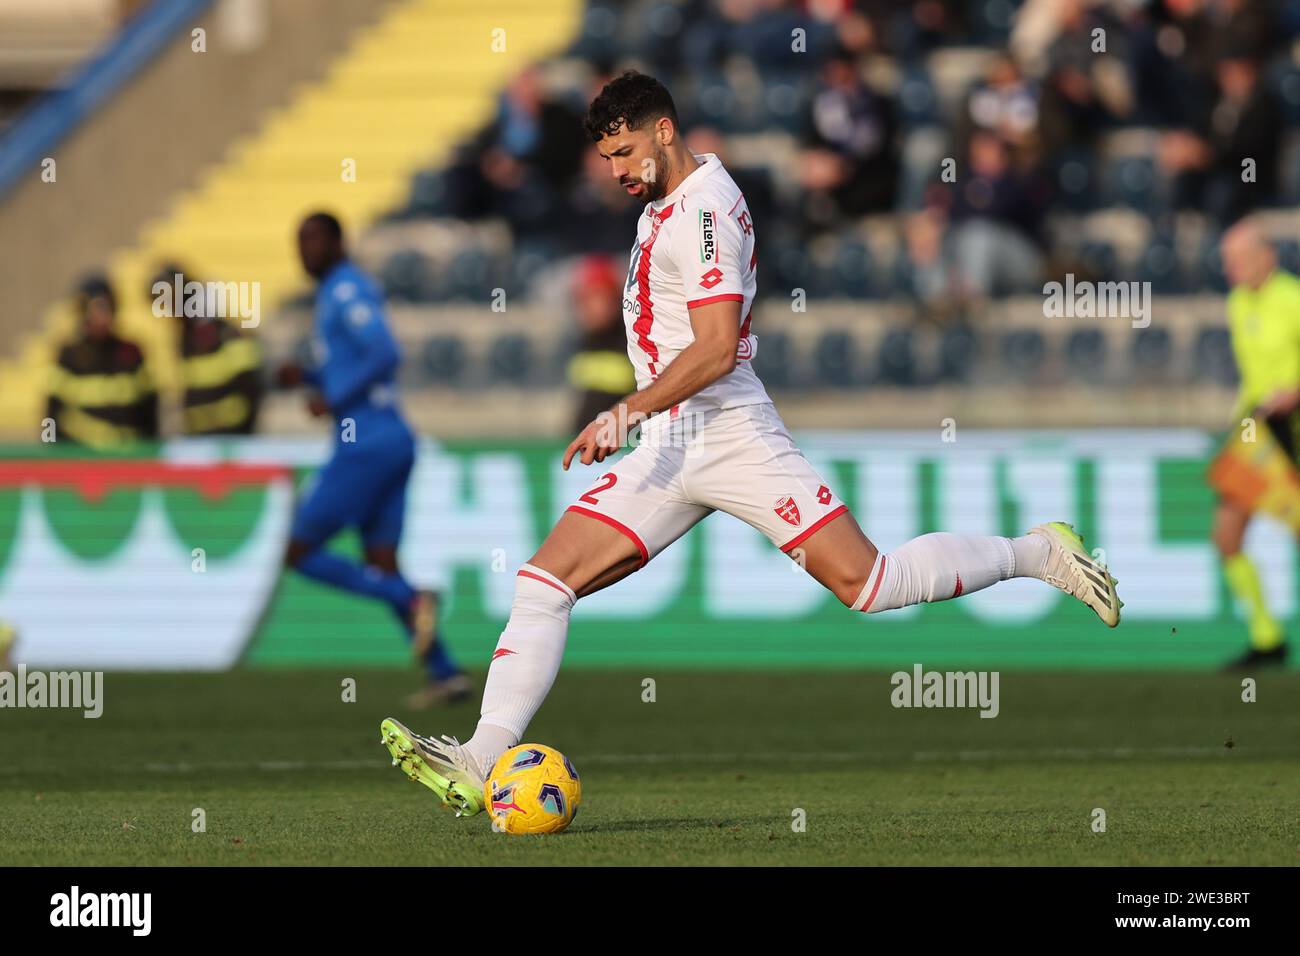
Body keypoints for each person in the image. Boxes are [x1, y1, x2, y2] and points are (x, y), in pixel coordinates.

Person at [379, 71, 1122, 817]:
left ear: (664, 131)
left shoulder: (706, 211)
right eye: (608, 158)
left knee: (870, 585)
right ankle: (480, 756)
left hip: (731, 435)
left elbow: (716, 347)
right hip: (671, 445)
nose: (617, 171)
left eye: (627, 151)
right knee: (544, 582)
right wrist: (645, 418)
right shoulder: (663, 203)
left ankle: (1041, 553)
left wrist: (625, 411)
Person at [280, 212, 469, 707]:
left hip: (367, 445)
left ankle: (411, 598)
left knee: (297, 552)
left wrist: (333, 395)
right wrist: (309, 378)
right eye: (299, 241)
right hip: (389, 441)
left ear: (339, 242)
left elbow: (383, 352)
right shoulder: (332, 294)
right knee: (381, 561)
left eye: (315, 239)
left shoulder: (345, 290)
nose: (305, 250)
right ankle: (445, 672)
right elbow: (356, 362)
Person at [1210, 220, 1298, 669]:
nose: (1229, 270)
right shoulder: (1237, 301)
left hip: (1293, 432)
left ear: (1267, 256)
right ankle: (1268, 638)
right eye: (1226, 261)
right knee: (1226, 532)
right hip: (1256, 433)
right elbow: (1253, 376)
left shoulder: (1293, 298)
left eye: (1237, 260)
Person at [150, 264, 263, 435]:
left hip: (232, 439)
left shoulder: (227, 334)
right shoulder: (184, 339)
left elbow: (251, 386)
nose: (168, 308)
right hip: (199, 440)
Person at [45, 275, 157, 447]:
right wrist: (50, 448)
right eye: (98, 308)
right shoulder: (68, 355)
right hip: (81, 459)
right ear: (83, 312)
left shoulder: (131, 353)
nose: (105, 316)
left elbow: (150, 409)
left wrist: (148, 451)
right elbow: (51, 412)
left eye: (108, 307)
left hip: (124, 458)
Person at [566, 254, 636, 432]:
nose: (590, 308)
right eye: (585, 300)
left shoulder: (634, 344)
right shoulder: (580, 343)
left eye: (599, 297)